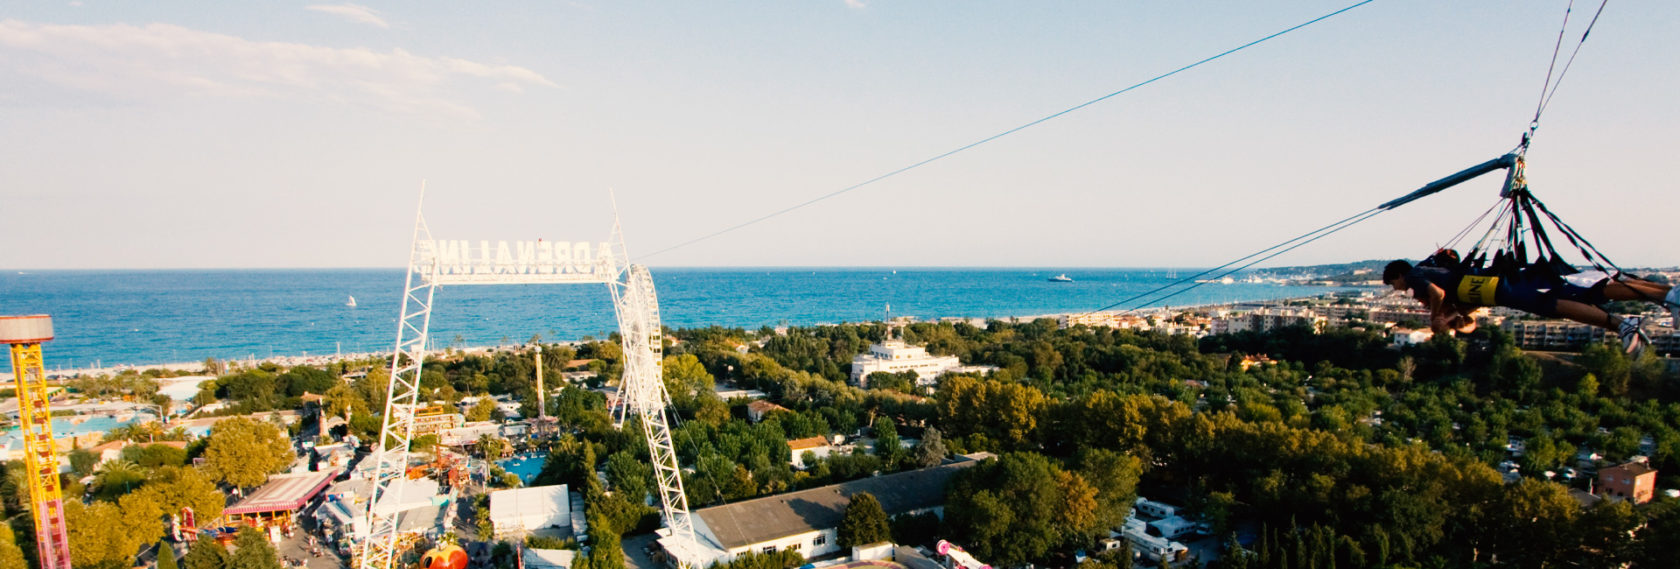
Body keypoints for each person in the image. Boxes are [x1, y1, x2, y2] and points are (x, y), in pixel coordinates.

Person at [1383, 258, 1679, 355]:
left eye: (1394, 284)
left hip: (1506, 289)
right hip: (1506, 287)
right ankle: (1666, 295)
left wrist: (1436, 317)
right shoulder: (1439, 279)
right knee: (1587, 292)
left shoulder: (1416, 276)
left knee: (1559, 303)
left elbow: (1435, 293)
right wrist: (1455, 323)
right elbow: (1468, 319)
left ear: (1397, 275)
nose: (1399, 290)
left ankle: (1625, 323)